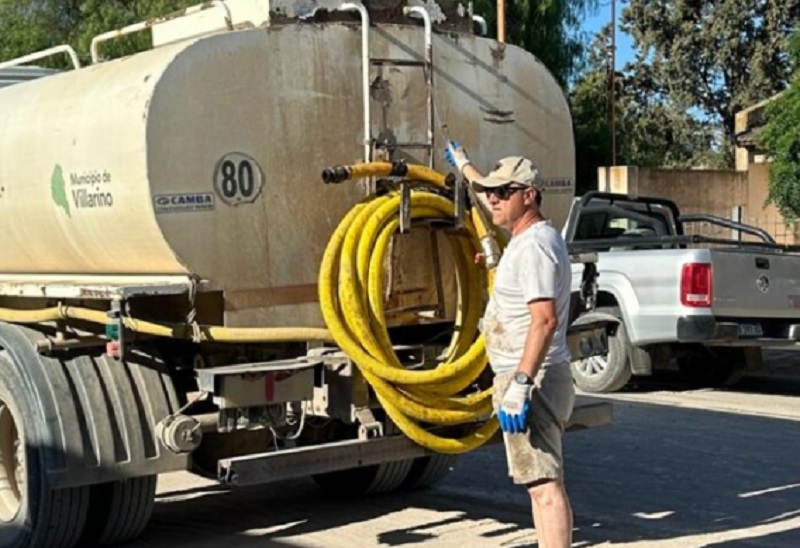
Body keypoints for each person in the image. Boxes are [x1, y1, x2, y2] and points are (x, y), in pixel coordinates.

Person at [445, 142, 576, 548]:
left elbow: (545, 320)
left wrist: (520, 384)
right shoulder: (525, 237)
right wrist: (466, 167)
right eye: (490, 191)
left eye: (503, 192)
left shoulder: (535, 246)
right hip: (527, 375)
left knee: (544, 485)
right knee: (537, 483)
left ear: (529, 195)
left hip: (532, 379)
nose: (492, 199)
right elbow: (487, 196)